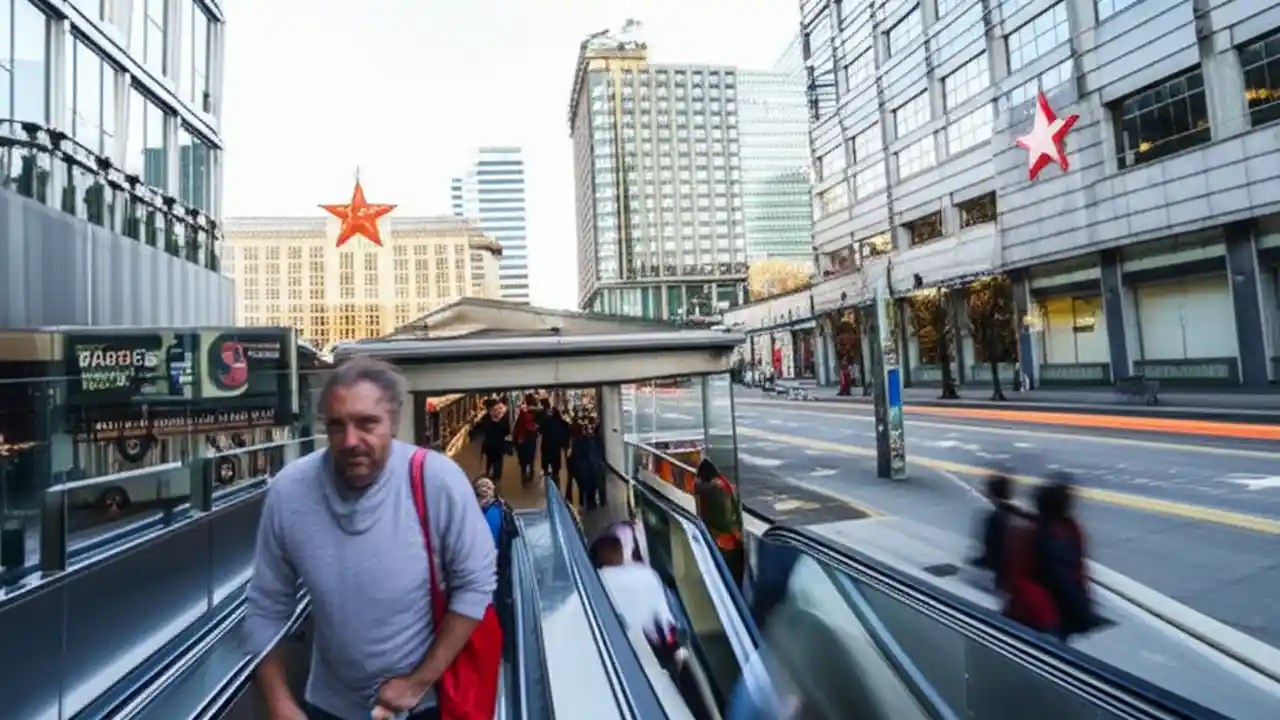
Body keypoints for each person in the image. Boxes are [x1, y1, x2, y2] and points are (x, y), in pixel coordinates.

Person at [242, 357, 497, 720]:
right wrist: (279, 702)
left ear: (393, 422)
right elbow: (266, 605)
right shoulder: (290, 493)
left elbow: (476, 584)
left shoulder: (436, 480)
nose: (350, 441)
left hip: (421, 707)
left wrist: (417, 683)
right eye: (336, 425)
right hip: (327, 706)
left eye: (367, 423)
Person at [470, 398, 511, 484]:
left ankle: (492, 478)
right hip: (498, 445)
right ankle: (495, 479)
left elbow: (481, 429)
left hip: (491, 445)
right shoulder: (503, 416)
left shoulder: (488, 417)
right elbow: (507, 430)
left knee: (491, 462)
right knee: (497, 463)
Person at [537, 400, 571, 492]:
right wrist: (565, 446)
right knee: (556, 462)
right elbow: (566, 435)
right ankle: (556, 476)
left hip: (547, 445)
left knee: (547, 460)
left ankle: (547, 473)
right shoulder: (562, 423)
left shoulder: (547, 421)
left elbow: (540, 431)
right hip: (556, 447)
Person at [512, 394, 539, 486]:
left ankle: (524, 475)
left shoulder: (523, 412)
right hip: (531, 438)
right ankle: (531, 471)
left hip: (523, 439)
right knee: (531, 456)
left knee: (523, 458)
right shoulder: (536, 412)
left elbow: (518, 426)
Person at [474, 477, 503, 548]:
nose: (485, 489)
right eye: (482, 486)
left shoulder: (498, 508)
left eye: (488, 487)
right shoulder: (472, 507)